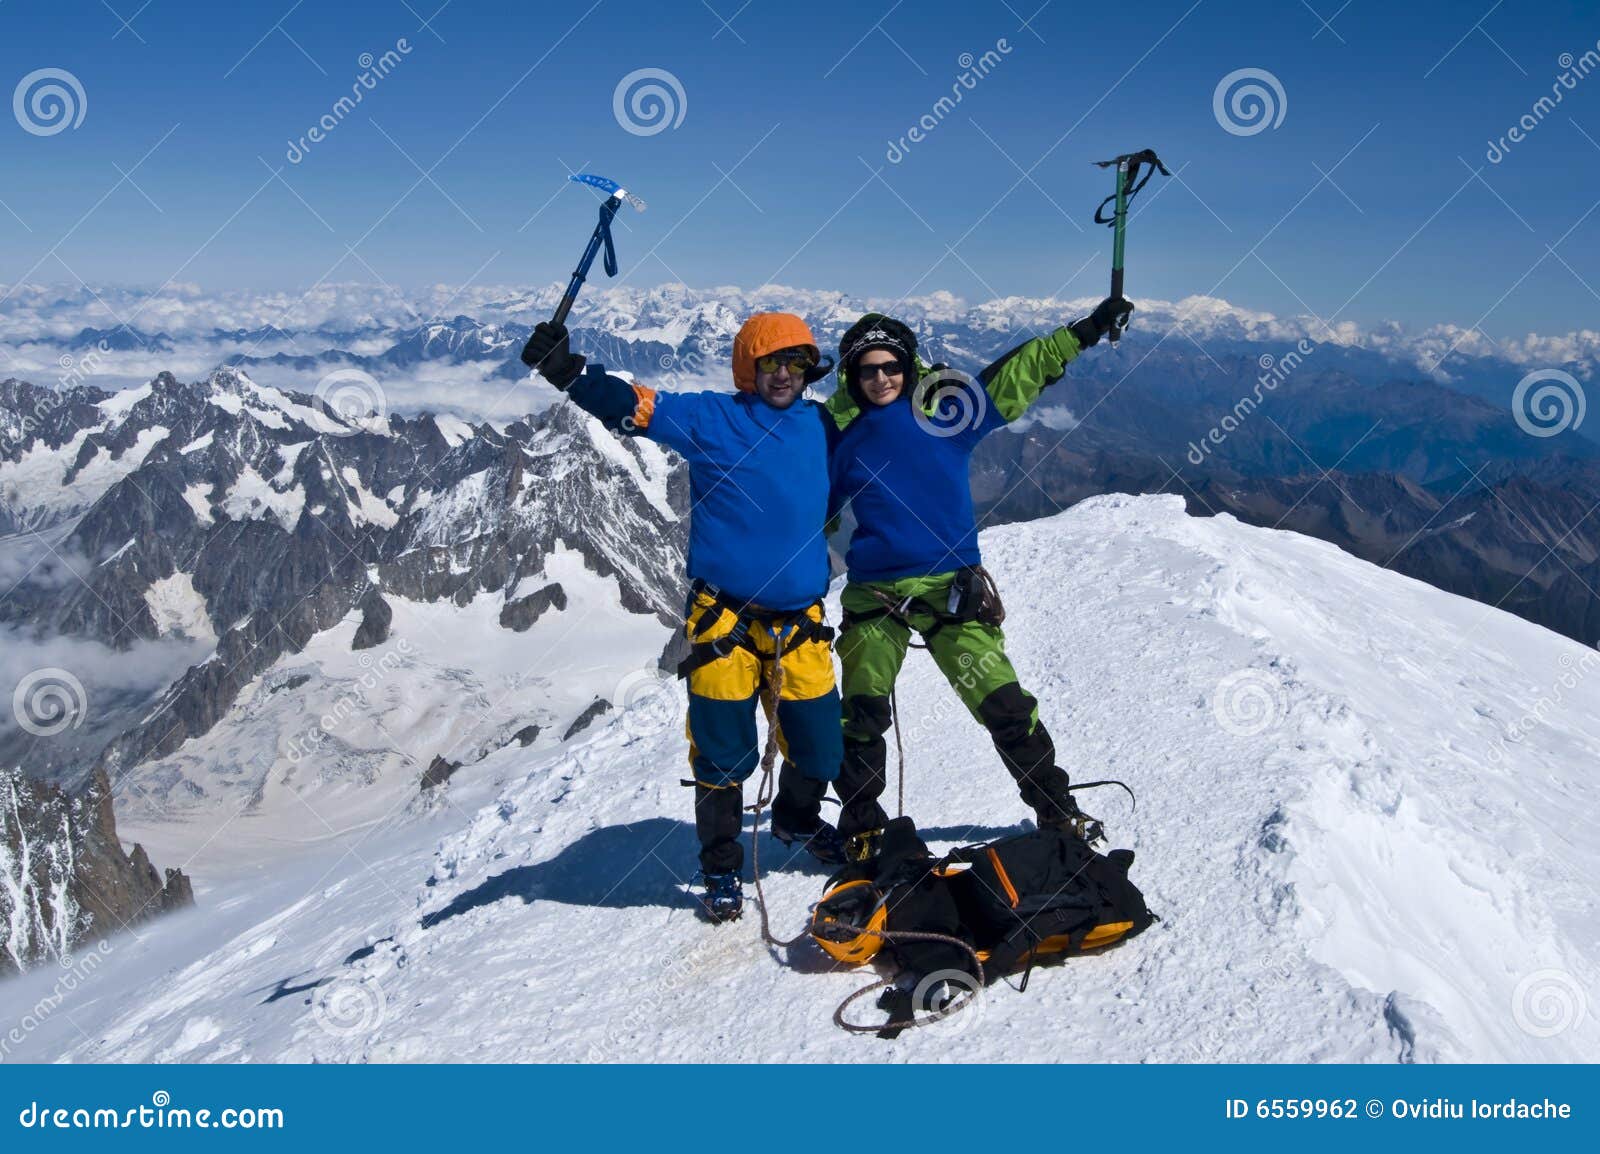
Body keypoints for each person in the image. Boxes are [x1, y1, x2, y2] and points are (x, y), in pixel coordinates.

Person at [522, 313, 847, 922]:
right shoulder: (710, 418)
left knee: (822, 750)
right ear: (747, 368)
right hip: (723, 621)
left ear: (809, 370)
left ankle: (795, 822)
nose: (784, 373)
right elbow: (631, 406)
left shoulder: (822, 424)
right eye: (771, 362)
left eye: (796, 363)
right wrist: (566, 371)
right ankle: (721, 866)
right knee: (721, 755)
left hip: (799, 621)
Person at [824, 298, 1132, 856]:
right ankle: (862, 827)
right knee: (862, 715)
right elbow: (811, 509)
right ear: (852, 375)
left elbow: (1014, 376)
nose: (880, 378)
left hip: (946, 589)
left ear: (908, 366)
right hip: (877, 592)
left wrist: (1082, 332)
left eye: (890, 365)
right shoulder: (838, 437)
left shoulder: (940, 413)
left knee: (1004, 705)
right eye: (867, 369)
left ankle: (1057, 809)